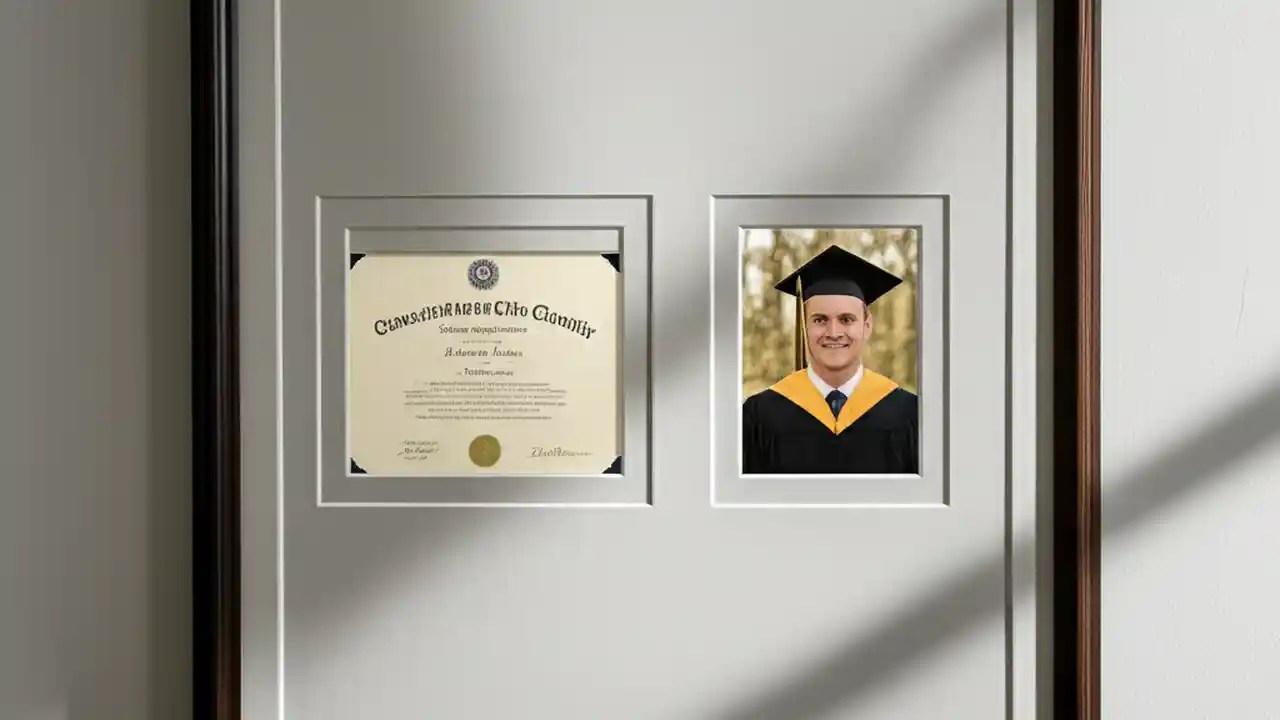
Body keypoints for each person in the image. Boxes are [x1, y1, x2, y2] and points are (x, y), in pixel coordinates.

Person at [742, 244, 918, 474]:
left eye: (846, 319)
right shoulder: (760, 415)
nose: (833, 333)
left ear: (867, 326)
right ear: (804, 326)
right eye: (820, 320)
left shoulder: (909, 413)